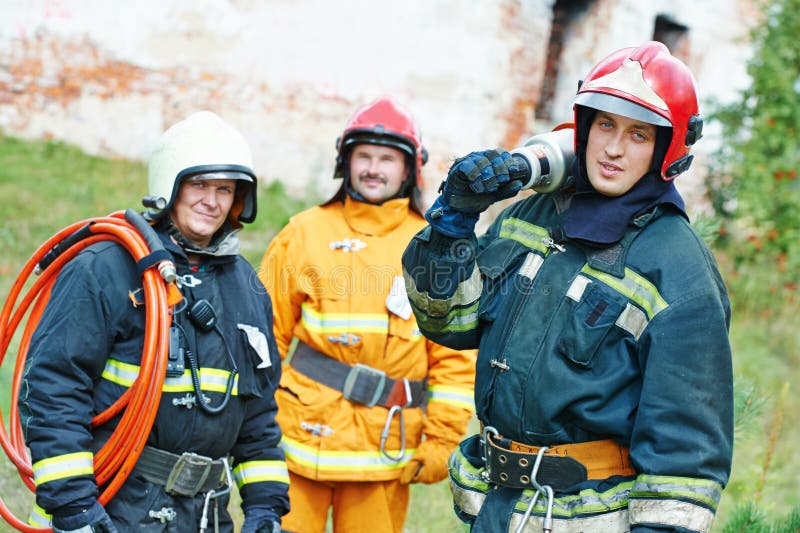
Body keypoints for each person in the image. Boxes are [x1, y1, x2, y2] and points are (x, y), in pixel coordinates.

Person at [402, 41, 733, 533]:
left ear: (667, 149)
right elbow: (451, 321)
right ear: (584, 125)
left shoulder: (679, 271)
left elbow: (684, 466)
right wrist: (453, 226)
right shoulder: (533, 215)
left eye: (639, 134)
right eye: (605, 124)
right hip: (495, 511)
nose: (614, 149)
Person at [19, 111, 289, 532]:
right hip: (112, 506)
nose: (212, 201)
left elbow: (257, 411)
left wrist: (265, 508)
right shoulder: (105, 269)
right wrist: (74, 509)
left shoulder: (247, 288)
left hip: (203, 516)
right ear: (170, 187)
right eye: (198, 184)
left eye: (225, 189)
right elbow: (55, 387)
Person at [258, 95, 476, 533]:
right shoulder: (303, 233)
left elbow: (454, 358)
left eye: (387, 159)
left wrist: (440, 440)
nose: (374, 168)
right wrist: (254, 425)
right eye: (364, 156)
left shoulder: (435, 248)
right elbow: (266, 338)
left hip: (385, 449)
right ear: (345, 162)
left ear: (411, 169)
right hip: (297, 438)